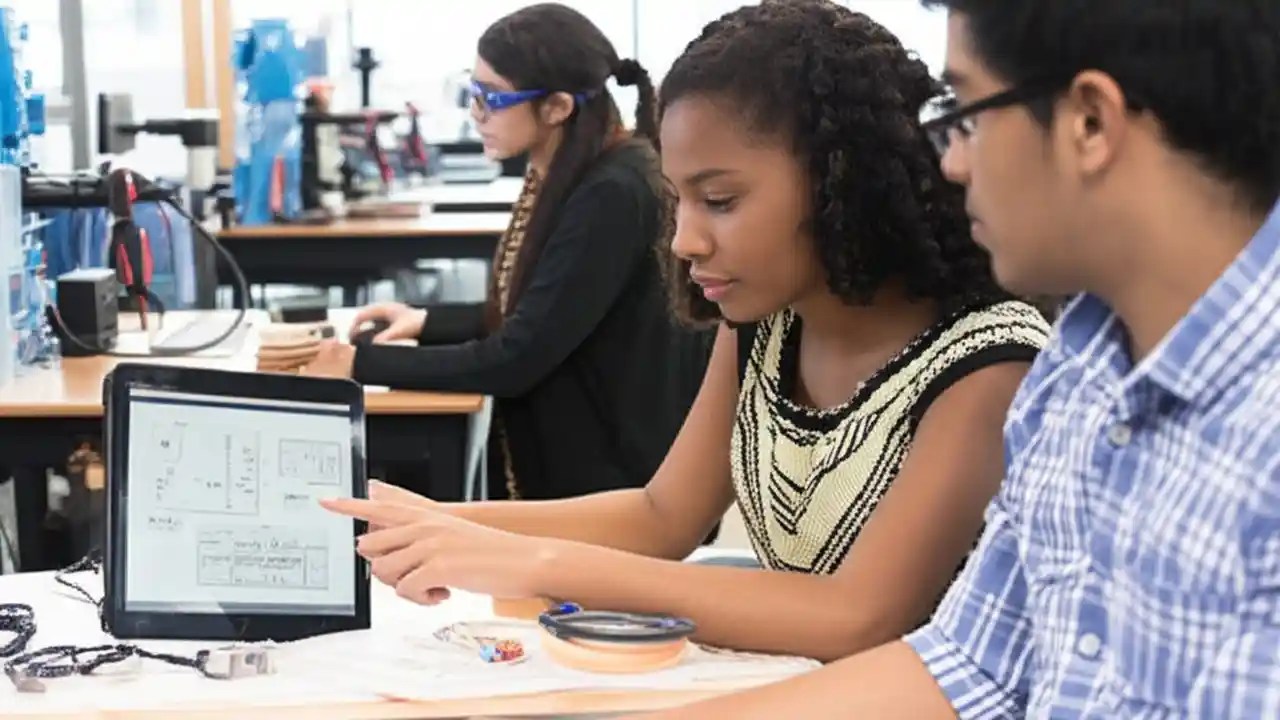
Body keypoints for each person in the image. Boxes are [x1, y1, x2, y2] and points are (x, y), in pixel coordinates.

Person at [322, 0, 1049, 661]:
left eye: (721, 200)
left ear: (841, 182)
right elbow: (661, 515)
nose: (685, 241)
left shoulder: (990, 365)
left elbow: (856, 616)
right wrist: (438, 524)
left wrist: (531, 563)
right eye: (680, 203)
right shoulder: (766, 325)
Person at [629, 0, 1280, 716]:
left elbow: (870, 623)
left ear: (1090, 121)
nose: (952, 159)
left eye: (967, 113)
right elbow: (971, 665)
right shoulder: (1077, 372)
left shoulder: (1243, 421)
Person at [303, 4, 711, 501]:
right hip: (580, 462)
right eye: (472, 93)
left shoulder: (611, 192)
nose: (477, 114)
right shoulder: (567, 170)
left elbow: (516, 359)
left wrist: (357, 364)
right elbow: (543, 313)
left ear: (557, 107)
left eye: (491, 98)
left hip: (606, 483)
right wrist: (426, 321)